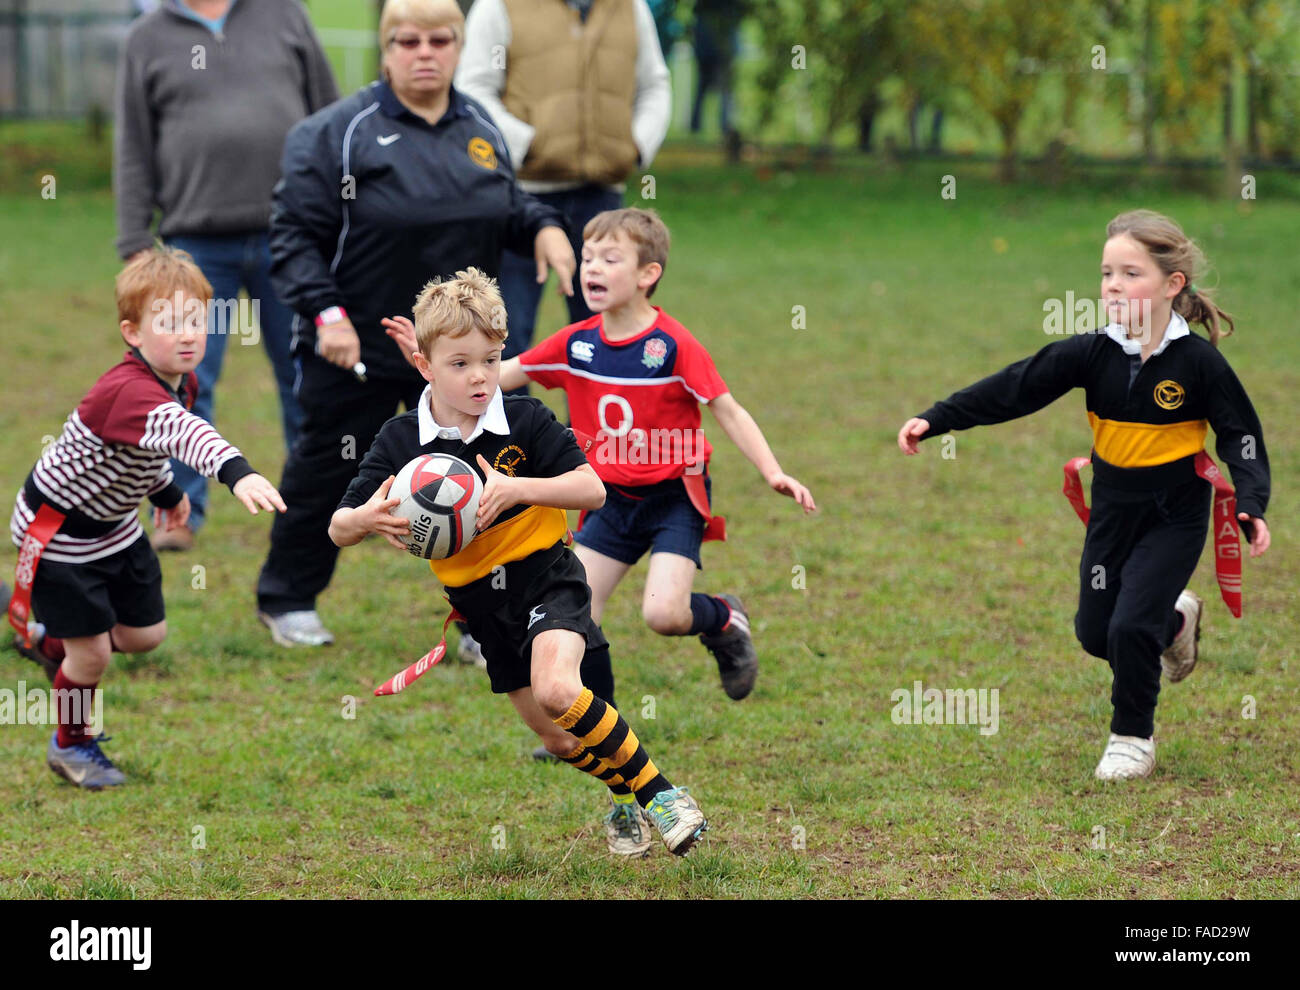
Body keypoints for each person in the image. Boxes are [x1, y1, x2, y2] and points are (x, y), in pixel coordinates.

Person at [334, 269, 708, 857]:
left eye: (490, 358)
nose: (480, 376)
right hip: (482, 610)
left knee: (559, 689)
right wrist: (365, 520)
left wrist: (518, 489)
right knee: (560, 740)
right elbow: (339, 525)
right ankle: (623, 794)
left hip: (547, 577)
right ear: (425, 366)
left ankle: (662, 796)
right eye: (460, 363)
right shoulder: (402, 441)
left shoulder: (526, 419)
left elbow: (591, 491)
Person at [386, 208, 816, 710]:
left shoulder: (673, 345)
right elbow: (492, 378)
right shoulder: (576, 342)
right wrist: (440, 365)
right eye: (587, 257)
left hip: (674, 496)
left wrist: (773, 471)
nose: (591, 268)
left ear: (647, 275)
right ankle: (590, 723)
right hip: (608, 500)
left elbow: (728, 409)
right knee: (578, 613)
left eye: (610, 259)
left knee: (665, 615)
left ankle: (722, 619)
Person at [897, 209, 1271, 781]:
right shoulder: (1092, 352)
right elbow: (1015, 387)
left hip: (1176, 513)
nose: (1113, 286)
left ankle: (1131, 738)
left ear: (1172, 285)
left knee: (1128, 628)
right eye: (1106, 274)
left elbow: (1239, 433)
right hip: (1114, 510)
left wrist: (1251, 500)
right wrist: (938, 418)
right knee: (1097, 633)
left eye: (1130, 273)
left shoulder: (1199, 363)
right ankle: (1174, 624)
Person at [255, 0, 575, 648]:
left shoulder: (479, 124)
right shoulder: (337, 132)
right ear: (385, 48)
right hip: (358, 350)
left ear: (459, 47)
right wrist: (328, 314)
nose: (423, 52)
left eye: (438, 39)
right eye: (406, 41)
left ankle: (487, 619)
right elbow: (292, 237)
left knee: (489, 479)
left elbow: (507, 202)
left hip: (461, 360)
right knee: (331, 472)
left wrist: (542, 225)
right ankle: (287, 599)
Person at [4, 247, 286, 789]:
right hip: (59, 535)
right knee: (93, 658)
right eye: (170, 323)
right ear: (132, 332)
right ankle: (71, 745)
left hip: (113, 525)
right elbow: (186, 435)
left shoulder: (181, 379)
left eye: (197, 322)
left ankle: (49, 640)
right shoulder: (128, 390)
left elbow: (143, 451)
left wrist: (164, 493)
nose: (188, 335)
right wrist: (238, 473)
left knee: (145, 635)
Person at [114, 0, 338, 552]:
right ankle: (181, 512)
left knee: (304, 375)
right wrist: (134, 242)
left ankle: (325, 503)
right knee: (185, 380)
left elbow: (331, 118)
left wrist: (341, 212)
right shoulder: (147, 36)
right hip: (195, 243)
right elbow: (134, 147)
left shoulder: (286, 15)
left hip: (291, 236)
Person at [455, 0, 671, 390]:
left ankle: (598, 442)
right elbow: (472, 88)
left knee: (609, 335)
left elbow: (654, 82)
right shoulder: (498, 6)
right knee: (504, 335)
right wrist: (527, 144)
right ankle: (509, 445)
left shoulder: (631, 7)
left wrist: (637, 145)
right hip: (520, 200)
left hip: (602, 202)